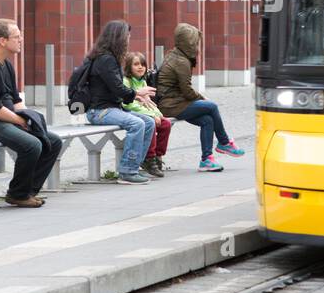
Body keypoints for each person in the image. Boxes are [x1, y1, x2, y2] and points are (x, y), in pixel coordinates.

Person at [0, 18, 63, 207]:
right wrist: (20, 121)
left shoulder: (6, 64)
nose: (21, 40)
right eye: (17, 37)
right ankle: (17, 193)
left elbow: (16, 101)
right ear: (2, 41)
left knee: (53, 141)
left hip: (6, 120)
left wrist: (28, 120)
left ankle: (28, 191)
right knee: (32, 145)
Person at [157, 23, 245, 173]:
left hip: (175, 102)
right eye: (195, 42)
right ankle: (224, 142)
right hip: (171, 105)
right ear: (188, 43)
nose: (198, 46)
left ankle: (207, 160)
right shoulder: (181, 61)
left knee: (207, 120)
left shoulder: (176, 55)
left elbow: (185, 92)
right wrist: (203, 98)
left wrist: (199, 100)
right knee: (211, 106)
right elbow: (187, 92)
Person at [82, 20, 156, 184]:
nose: (129, 39)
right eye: (127, 36)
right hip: (99, 112)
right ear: (118, 38)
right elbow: (117, 88)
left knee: (149, 122)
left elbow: (115, 89)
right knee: (137, 124)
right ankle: (127, 171)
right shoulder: (105, 60)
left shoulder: (109, 58)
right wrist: (137, 92)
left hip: (112, 108)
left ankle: (135, 165)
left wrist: (136, 96)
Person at [122, 51, 171, 178]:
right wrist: (151, 115)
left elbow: (149, 104)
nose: (140, 67)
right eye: (136, 64)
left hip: (144, 113)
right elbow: (128, 104)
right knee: (151, 123)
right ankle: (149, 158)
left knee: (165, 124)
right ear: (129, 67)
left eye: (143, 64)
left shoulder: (143, 82)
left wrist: (158, 114)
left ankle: (158, 156)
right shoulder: (126, 82)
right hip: (130, 112)